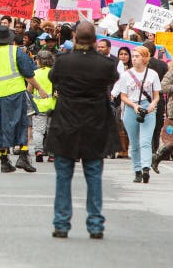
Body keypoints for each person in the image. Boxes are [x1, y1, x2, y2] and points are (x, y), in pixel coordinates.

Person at [47, 21, 119, 239]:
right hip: (95, 125)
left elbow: (53, 78)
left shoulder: (63, 62)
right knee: (94, 175)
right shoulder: (106, 64)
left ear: (75, 38)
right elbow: (112, 79)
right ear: (96, 41)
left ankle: (61, 224)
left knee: (63, 176)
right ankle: (95, 224)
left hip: (66, 123)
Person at [0, 25, 46, 173]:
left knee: (1, 127)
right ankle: (22, 155)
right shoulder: (16, 52)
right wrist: (40, 88)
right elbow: (29, 74)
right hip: (17, 93)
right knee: (22, 124)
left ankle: (4, 161)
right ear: (10, 39)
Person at [113, 45, 160, 183]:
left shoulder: (153, 74)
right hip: (131, 107)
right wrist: (134, 106)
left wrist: (152, 104)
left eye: (137, 56)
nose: (133, 59)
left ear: (145, 58)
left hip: (148, 108)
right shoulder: (125, 75)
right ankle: (137, 170)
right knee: (134, 143)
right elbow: (123, 96)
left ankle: (146, 168)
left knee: (145, 141)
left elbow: (157, 95)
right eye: (133, 56)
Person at [29, 50, 56, 162]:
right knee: (51, 130)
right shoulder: (54, 73)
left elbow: (29, 90)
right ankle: (52, 154)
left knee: (38, 130)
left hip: (38, 106)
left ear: (39, 61)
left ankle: (38, 151)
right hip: (52, 106)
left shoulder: (35, 74)